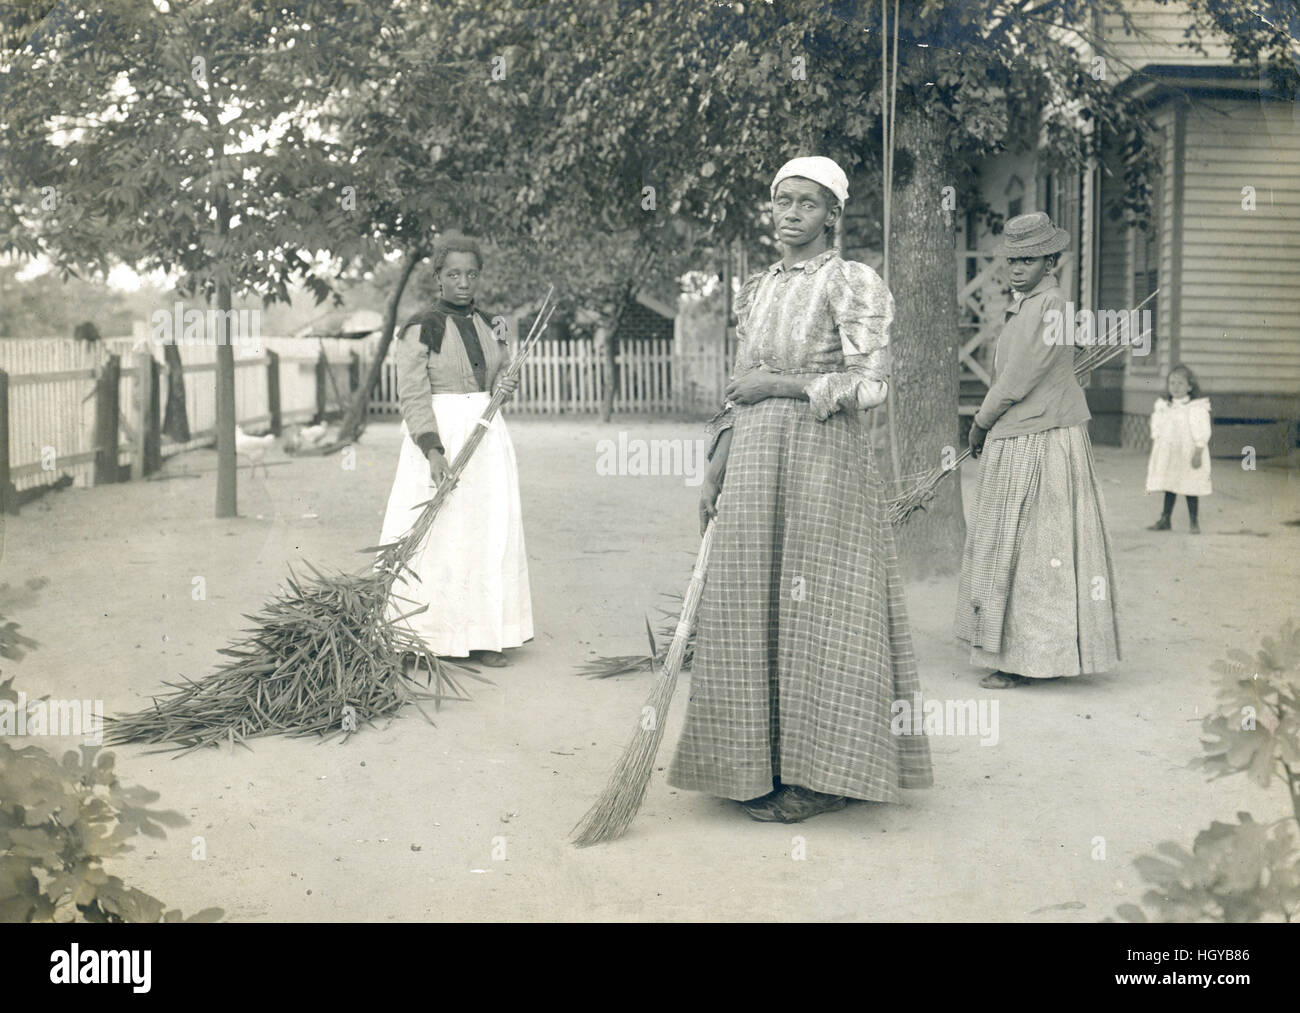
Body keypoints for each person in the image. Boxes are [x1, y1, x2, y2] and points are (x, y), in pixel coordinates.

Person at [666, 155, 933, 824]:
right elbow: (738, 386)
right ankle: (757, 762)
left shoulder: (850, 281)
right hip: (757, 459)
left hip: (822, 459)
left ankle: (827, 776)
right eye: (782, 200)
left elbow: (872, 385)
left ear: (831, 214)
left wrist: (781, 388)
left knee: (823, 610)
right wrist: (717, 463)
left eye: (806, 203)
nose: (790, 213)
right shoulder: (758, 287)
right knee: (755, 604)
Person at [955, 211, 1120, 689]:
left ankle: (1023, 658)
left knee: (1028, 548)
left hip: (1038, 440)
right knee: (1028, 548)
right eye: (1012, 260)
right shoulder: (1037, 306)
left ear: (1051, 259)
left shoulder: (1048, 306)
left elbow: (1016, 378)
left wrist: (980, 423)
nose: (1017, 268)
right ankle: (1024, 652)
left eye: (1028, 259)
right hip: (1030, 432)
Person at [377, 235, 532, 668]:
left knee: (486, 529)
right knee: (436, 531)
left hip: (486, 435)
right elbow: (411, 395)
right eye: (453, 274)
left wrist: (505, 387)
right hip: (439, 437)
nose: (463, 282)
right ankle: (416, 637)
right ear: (438, 278)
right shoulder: (418, 327)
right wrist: (432, 449)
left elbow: (499, 377)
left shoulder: (492, 323)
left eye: (471, 274)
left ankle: (485, 635)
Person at [1146, 364, 1211, 534]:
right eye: (1172, 383)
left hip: (1188, 452)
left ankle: (1194, 521)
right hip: (1170, 453)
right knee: (1170, 484)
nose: (1175, 387)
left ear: (1190, 386)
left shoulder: (1196, 408)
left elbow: (1202, 431)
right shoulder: (1164, 406)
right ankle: (1165, 519)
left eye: (1180, 383)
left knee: (1190, 486)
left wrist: (1198, 451)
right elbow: (1157, 427)